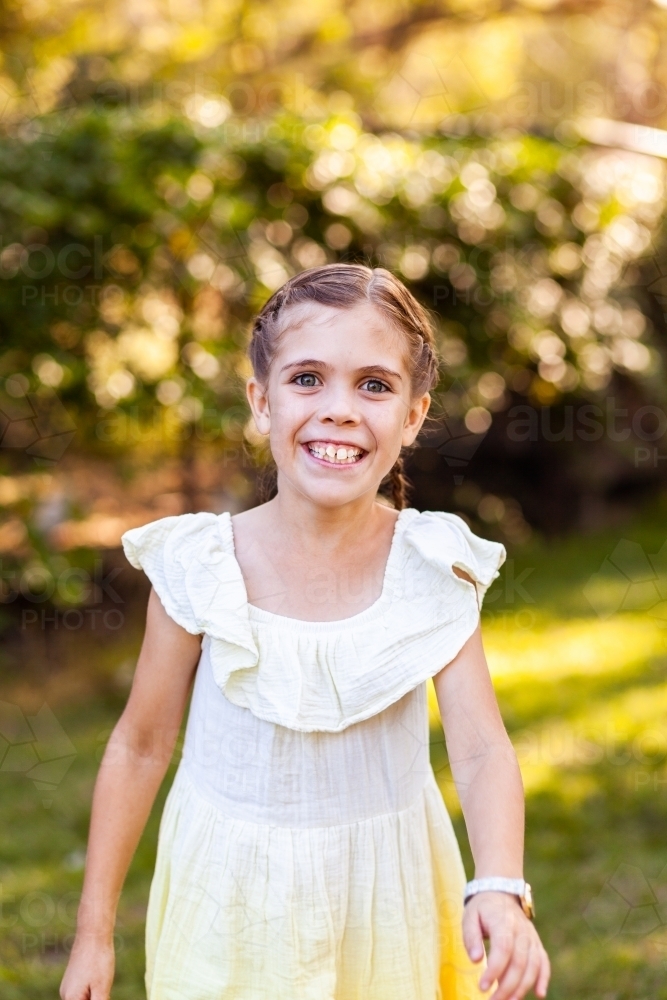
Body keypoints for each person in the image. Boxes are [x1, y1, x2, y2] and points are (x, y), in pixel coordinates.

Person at [60, 263, 550, 1000]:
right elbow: (140, 744)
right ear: (261, 400)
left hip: (390, 905)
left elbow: (480, 748)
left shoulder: (431, 568)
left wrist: (500, 886)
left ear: (414, 416)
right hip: (229, 913)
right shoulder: (200, 568)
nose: (340, 410)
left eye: (375, 385)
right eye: (307, 379)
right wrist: (94, 934)